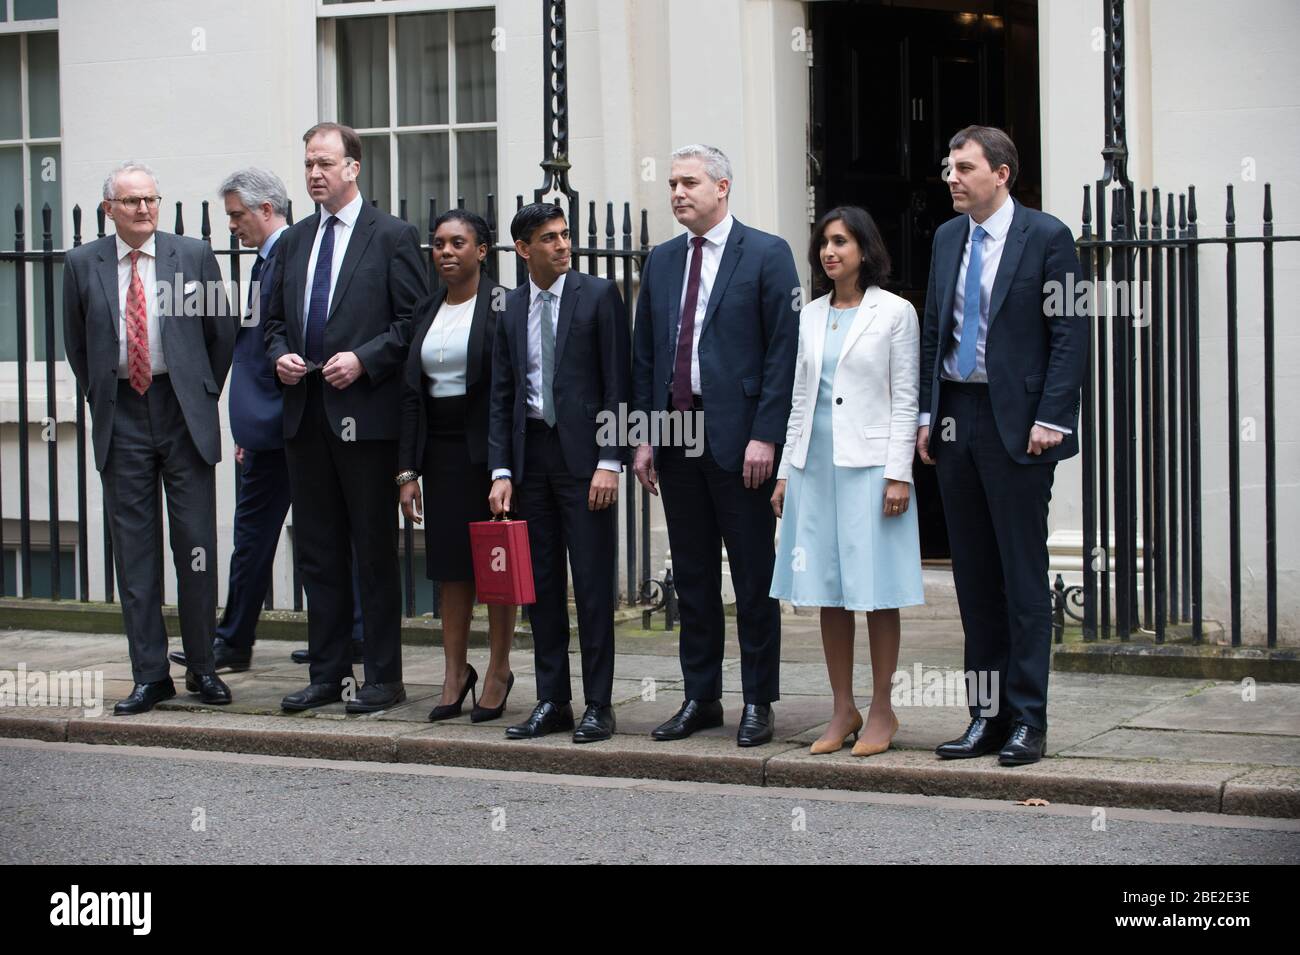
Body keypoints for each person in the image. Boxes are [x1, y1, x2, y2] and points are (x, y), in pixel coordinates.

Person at [917, 126, 1087, 766]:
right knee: (974, 580)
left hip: (1019, 425)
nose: (952, 178)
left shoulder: (1047, 237)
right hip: (958, 414)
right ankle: (984, 717)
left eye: (964, 168)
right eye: (948, 167)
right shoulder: (946, 237)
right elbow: (936, 327)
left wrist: (1053, 417)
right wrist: (927, 412)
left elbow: (1069, 332)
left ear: (1002, 173)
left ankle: (1027, 722)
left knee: (1020, 578)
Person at [631, 144, 800, 747]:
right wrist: (644, 436)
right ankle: (700, 697)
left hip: (740, 438)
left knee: (754, 577)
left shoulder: (767, 254)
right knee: (694, 577)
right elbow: (645, 353)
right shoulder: (662, 260)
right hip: (677, 436)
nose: (677, 192)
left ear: (722, 188)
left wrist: (766, 436)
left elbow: (785, 351)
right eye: (672, 182)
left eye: (690, 183)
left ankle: (759, 700)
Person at [264, 122, 427, 713]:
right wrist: (278, 354)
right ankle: (327, 674)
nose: (314, 174)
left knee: (373, 550)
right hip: (305, 416)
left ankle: (383, 676)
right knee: (317, 551)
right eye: (308, 163)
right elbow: (272, 322)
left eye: (325, 164)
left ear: (353, 168)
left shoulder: (393, 236)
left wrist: (364, 359)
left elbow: (413, 324)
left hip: (366, 420)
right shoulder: (295, 240)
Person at [63, 160, 235, 714]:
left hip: (182, 411)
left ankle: (204, 669)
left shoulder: (193, 255)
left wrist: (200, 393)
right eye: (132, 201)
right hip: (122, 413)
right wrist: (104, 398)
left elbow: (221, 334)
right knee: (134, 555)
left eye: (151, 200)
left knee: (196, 548)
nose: (143, 209)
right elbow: (76, 345)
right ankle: (150, 675)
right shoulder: (81, 263)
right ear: (108, 208)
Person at [770, 206, 923, 756]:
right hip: (815, 468)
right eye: (823, 244)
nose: (829, 252)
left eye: (841, 242)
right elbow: (799, 398)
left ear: (864, 248)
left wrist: (898, 474)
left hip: (871, 469)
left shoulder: (896, 312)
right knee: (828, 591)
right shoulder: (810, 314)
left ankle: (883, 709)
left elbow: (906, 396)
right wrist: (787, 471)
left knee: (877, 592)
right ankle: (843, 706)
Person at [488, 203, 630, 743]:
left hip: (586, 462)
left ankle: (599, 705)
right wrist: (502, 470)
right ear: (523, 249)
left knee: (593, 586)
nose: (563, 245)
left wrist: (610, 461)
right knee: (540, 588)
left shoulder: (597, 296)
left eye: (565, 235)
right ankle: (553, 701)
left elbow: (618, 385)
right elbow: (502, 396)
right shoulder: (509, 307)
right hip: (531, 462)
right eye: (549, 238)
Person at [398, 209, 517, 723]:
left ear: (482, 251)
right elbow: (410, 394)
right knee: (448, 569)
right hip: (440, 454)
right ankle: (453, 672)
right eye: (438, 244)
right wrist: (407, 472)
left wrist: (502, 468)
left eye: (457, 243)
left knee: (495, 568)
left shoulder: (503, 306)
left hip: (487, 454)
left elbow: (511, 392)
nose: (445, 252)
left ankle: (498, 670)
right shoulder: (426, 309)